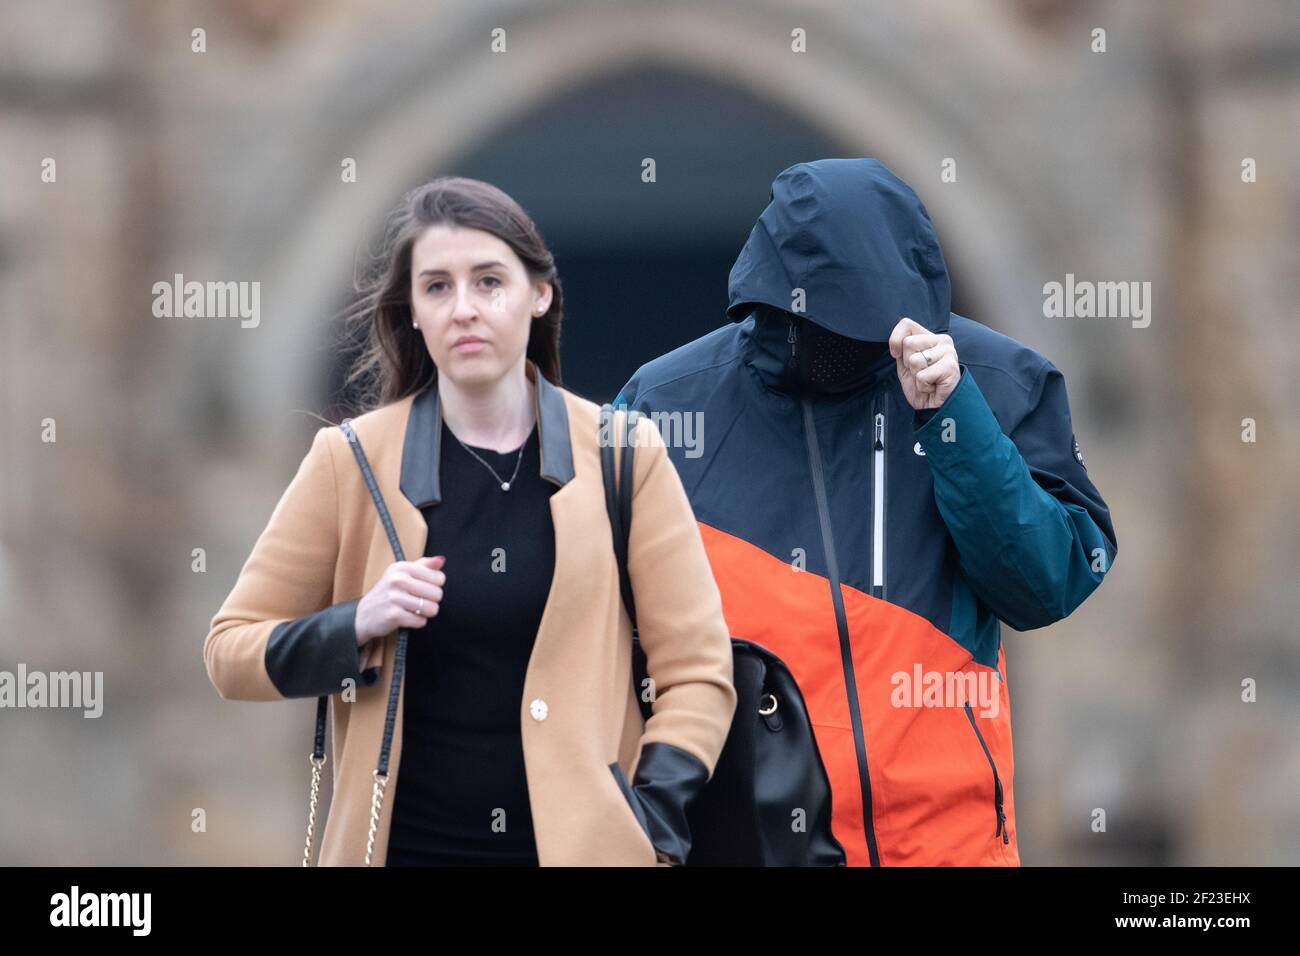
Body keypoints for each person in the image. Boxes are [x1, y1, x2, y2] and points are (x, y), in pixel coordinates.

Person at [203, 176, 736, 866]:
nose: (464, 310)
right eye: (437, 287)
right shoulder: (351, 461)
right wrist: (356, 621)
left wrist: (649, 824)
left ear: (539, 295)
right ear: (414, 311)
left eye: (489, 282)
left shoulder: (622, 454)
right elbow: (230, 654)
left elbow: (697, 670)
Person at [614, 158, 1118, 866]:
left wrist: (955, 422)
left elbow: (1047, 584)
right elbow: (594, 625)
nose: (856, 342)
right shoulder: (667, 404)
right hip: (751, 848)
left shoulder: (998, 379)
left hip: (952, 845)